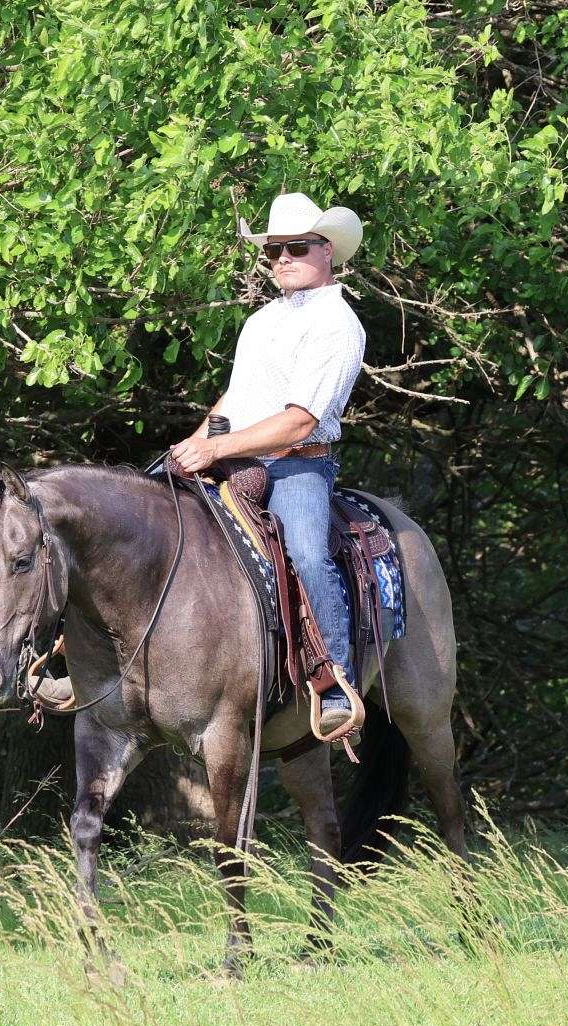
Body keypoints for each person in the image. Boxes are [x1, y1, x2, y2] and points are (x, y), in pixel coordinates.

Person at [170, 191, 366, 734]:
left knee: (305, 549)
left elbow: (299, 422)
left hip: (299, 464)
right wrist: (190, 447)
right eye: (273, 250)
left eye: (294, 247)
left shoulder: (338, 324)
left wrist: (216, 449)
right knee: (152, 516)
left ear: (326, 250)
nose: (281, 257)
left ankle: (333, 683)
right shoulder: (260, 322)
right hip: (233, 452)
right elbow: (232, 403)